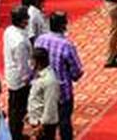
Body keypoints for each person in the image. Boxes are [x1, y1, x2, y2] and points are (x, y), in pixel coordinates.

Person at [36, 12, 84, 140]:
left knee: (46, 123)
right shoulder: (66, 45)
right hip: (62, 92)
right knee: (64, 124)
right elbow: (77, 72)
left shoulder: (40, 40)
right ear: (64, 26)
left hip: (43, 89)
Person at [3, 7, 33, 139]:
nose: (28, 20)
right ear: (22, 21)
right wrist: (28, 80)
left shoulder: (9, 30)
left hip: (11, 73)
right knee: (18, 110)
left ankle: (14, 132)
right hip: (19, 80)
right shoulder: (20, 41)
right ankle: (16, 135)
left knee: (13, 107)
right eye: (26, 18)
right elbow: (23, 66)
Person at [26, 47, 61, 140]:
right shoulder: (40, 75)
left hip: (44, 126)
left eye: (31, 59)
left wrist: (41, 126)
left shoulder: (49, 80)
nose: (30, 62)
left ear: (37, 62)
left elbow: (50, 106)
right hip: (36, 121)